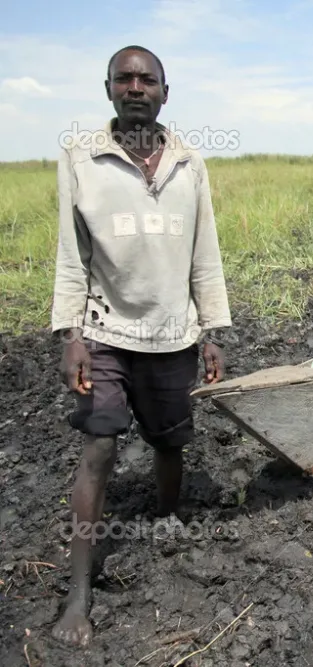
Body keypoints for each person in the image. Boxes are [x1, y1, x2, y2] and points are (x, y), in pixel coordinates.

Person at [50, 45, 232, 647]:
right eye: (123, 79)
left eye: (146, 79)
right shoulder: (82, 158)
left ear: (164, 91)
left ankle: (167, 516)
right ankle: (78, 596)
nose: (135, 87)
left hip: (172, 332)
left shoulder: (189, 162)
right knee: (98, 448)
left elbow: (205, 254)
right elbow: (71, 256)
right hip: (104, 331)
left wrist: (210, 331)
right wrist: (70, 334)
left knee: (170, 440)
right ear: (108, 90)